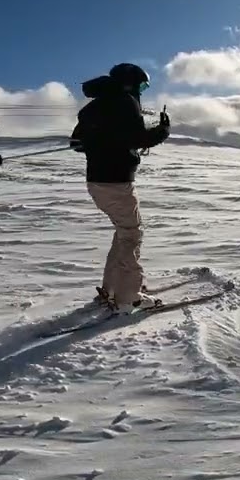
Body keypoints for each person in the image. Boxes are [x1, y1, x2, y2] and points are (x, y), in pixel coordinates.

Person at [69, 62, 171, 311]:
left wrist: (103, 141)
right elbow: (138, 137)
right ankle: (129, 298)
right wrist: (163, 130)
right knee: (132, 235)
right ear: (130, 82)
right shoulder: (125, 101)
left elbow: (76, 142)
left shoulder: (94, 106)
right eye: (142, 85)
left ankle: (112, 289)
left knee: (123, 233)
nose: (141, 90)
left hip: (97, 182)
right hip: (117, 182)